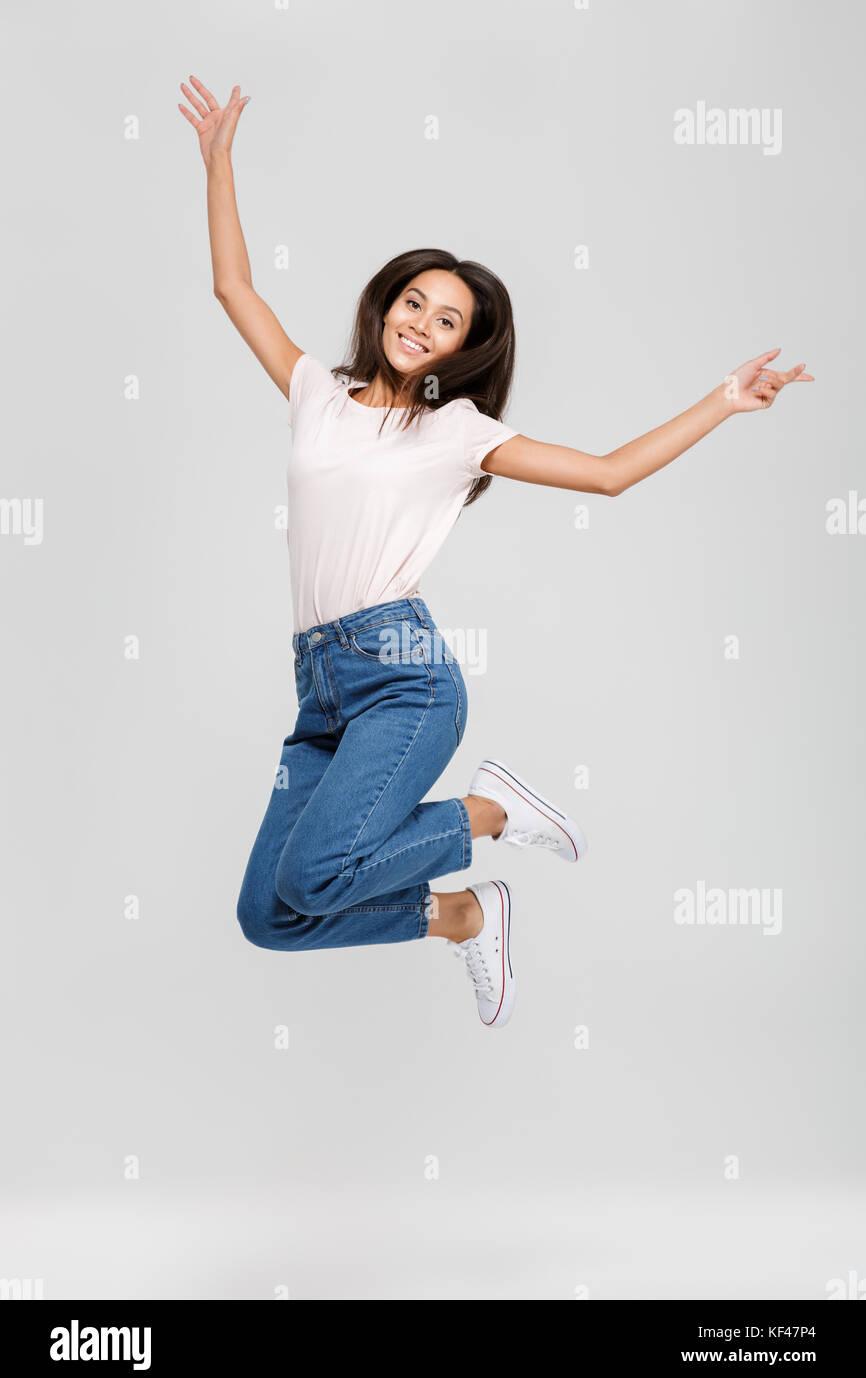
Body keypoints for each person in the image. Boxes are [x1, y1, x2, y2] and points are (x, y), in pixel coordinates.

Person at [178, 77, 814, 1029]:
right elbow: (234, 287)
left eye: (446, 322)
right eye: (412, 301)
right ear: (384, 304)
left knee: (317, 871)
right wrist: (218, 159)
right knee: (271, 912)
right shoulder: (315, 390)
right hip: (319, 684)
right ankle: (467, 913)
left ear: (460, 352)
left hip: (402, 674)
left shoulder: (456, 432)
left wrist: (724, 399)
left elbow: (607, 473)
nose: (419, 324)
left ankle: (490, 813)